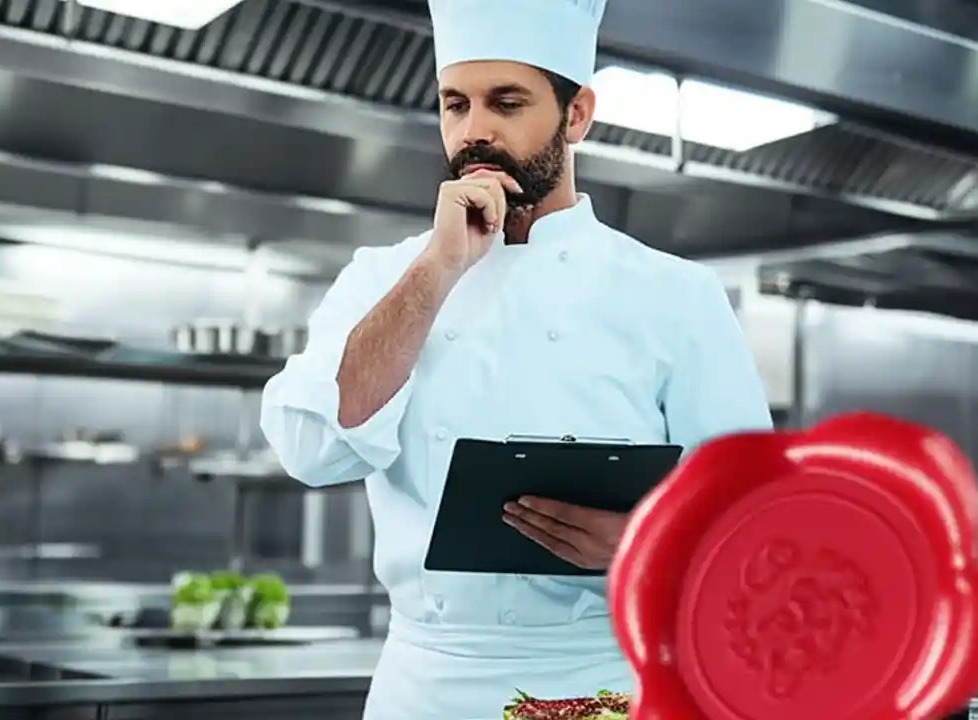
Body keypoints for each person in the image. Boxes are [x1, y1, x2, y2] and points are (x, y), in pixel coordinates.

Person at [258, 0, 774, 717]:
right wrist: (438, 267)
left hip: (607, 679)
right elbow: (310, 449)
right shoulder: (384, 277)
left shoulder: (675, 295)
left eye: (507, 103)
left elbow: (758, 522)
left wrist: (651, 544)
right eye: (454, 104)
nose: (474, 132)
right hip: (426, 687)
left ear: (577, 115)